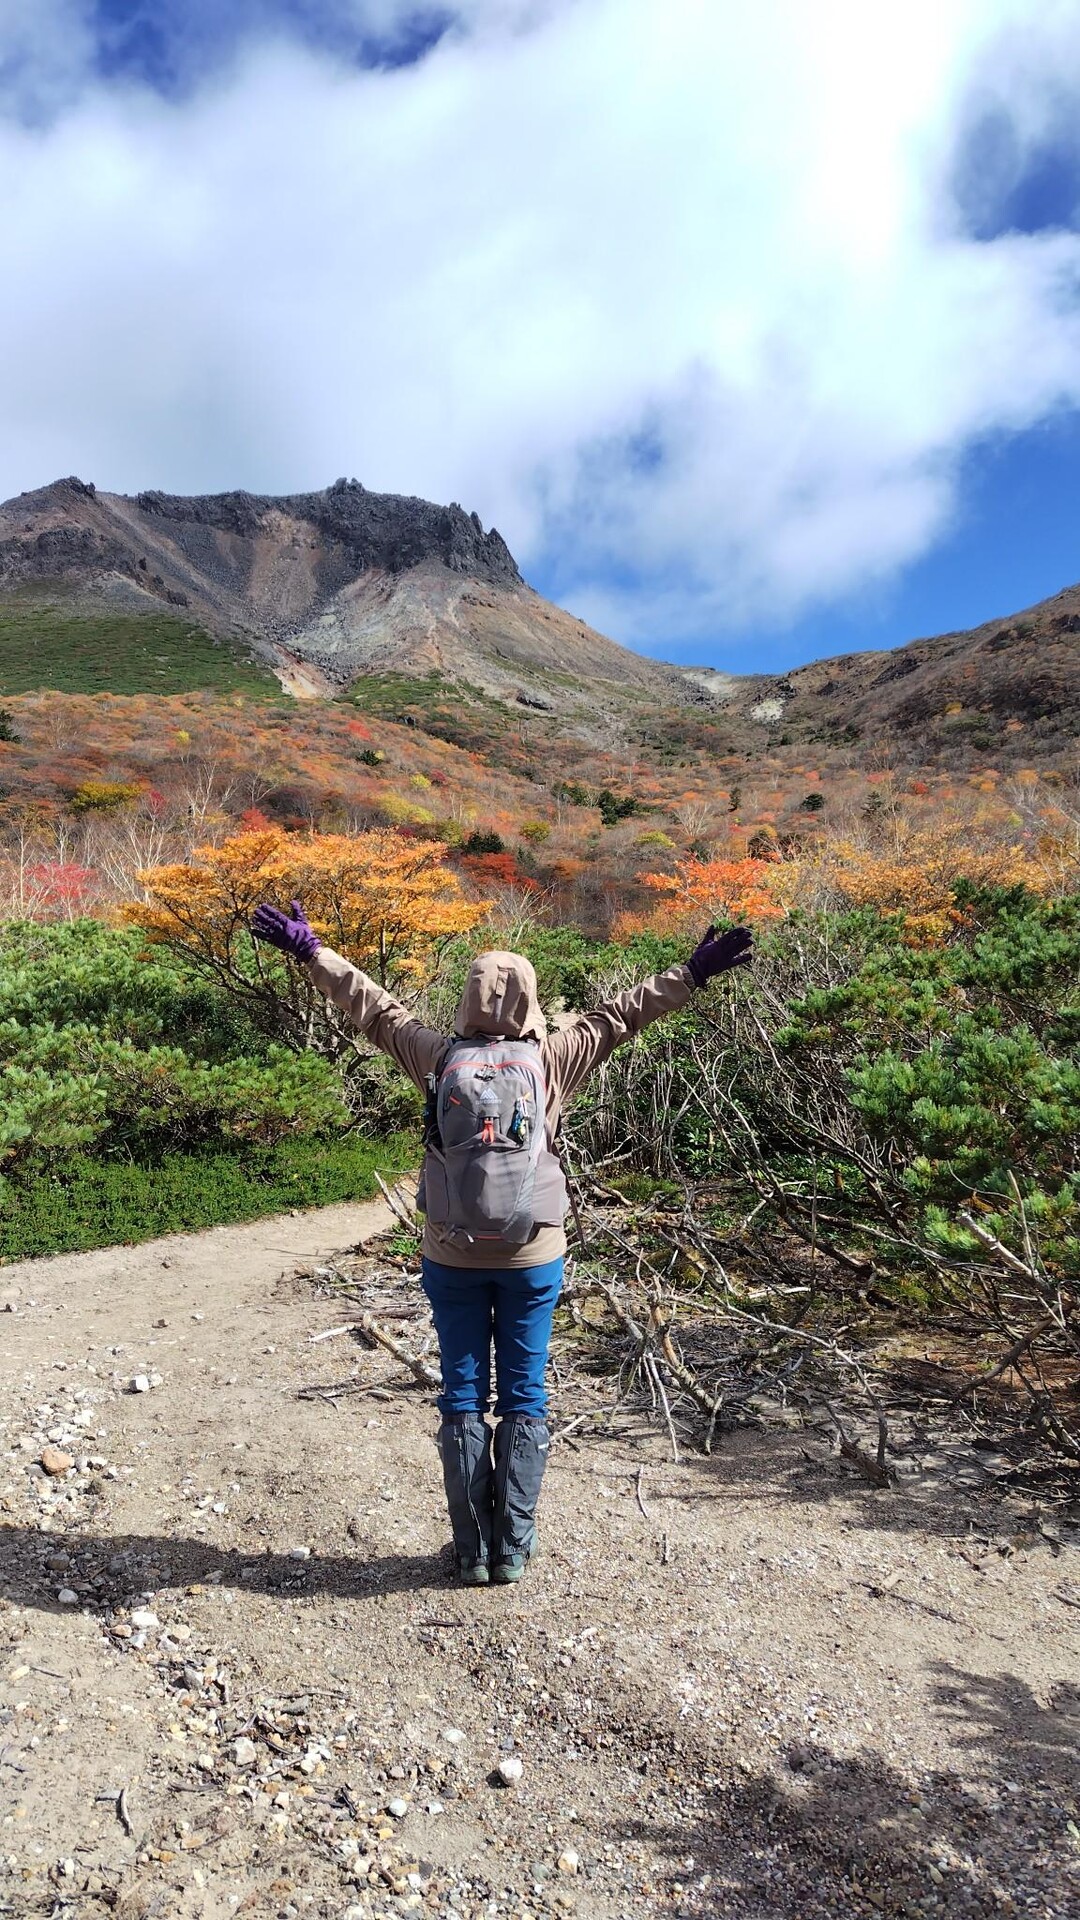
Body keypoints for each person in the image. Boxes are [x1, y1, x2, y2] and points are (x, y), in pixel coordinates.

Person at [250, 900, 752, 1585]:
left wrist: (312, 952)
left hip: (450, 1252)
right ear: (532, 998)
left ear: (466, 997)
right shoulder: (554, 1056)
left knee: (461, 1394)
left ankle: (471, 1551)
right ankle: (511, 1547)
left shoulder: (435, 1055)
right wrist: (693, 971)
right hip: (532, 1254)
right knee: (524, 1393)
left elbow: (371, 1007)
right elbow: (625, 1014)